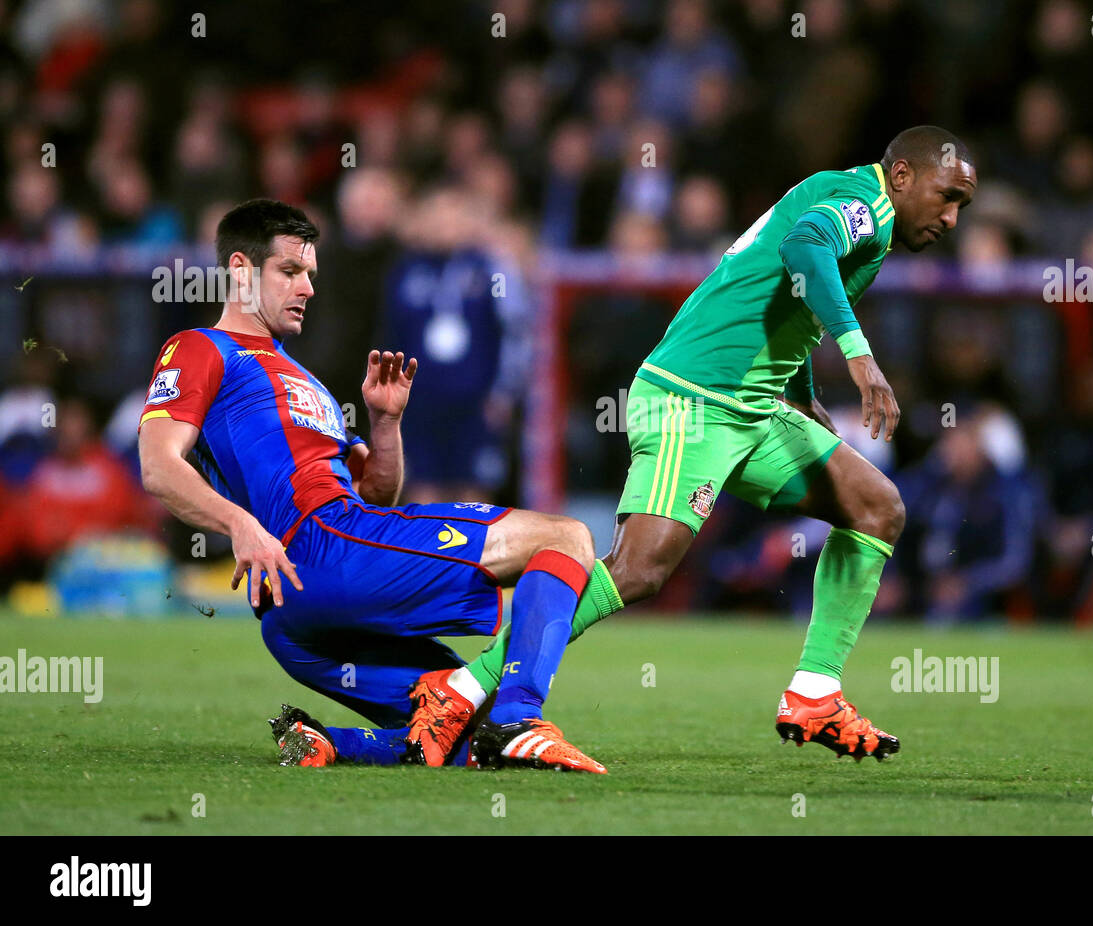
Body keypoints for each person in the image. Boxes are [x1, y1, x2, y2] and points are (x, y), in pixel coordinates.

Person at [422, 125, 977, 765]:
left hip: (753, 405)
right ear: (902, 176)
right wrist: (860, 355)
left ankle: (815, 693)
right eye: (947, 196)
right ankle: (463, 687)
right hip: (692, 399)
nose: (952, 218)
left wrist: (802, 390)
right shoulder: (865, 205)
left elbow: (784, 294)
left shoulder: (853, 201)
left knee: (876, 507)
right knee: (638, 570)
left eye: (963, 205)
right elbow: (803, 249)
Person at [137, 199, 605, 773]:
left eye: (310, 273)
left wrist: (385, 424)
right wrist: (241, 524)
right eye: (289, 271)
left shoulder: (306, 381)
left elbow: (376, 494)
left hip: (301, 616)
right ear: (240, 270)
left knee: (463, 734)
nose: (307, 288)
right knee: (566, 538)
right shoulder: (200, 348)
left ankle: (333, 742)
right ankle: (520, 716)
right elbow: (158, 466)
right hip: (326, 548)